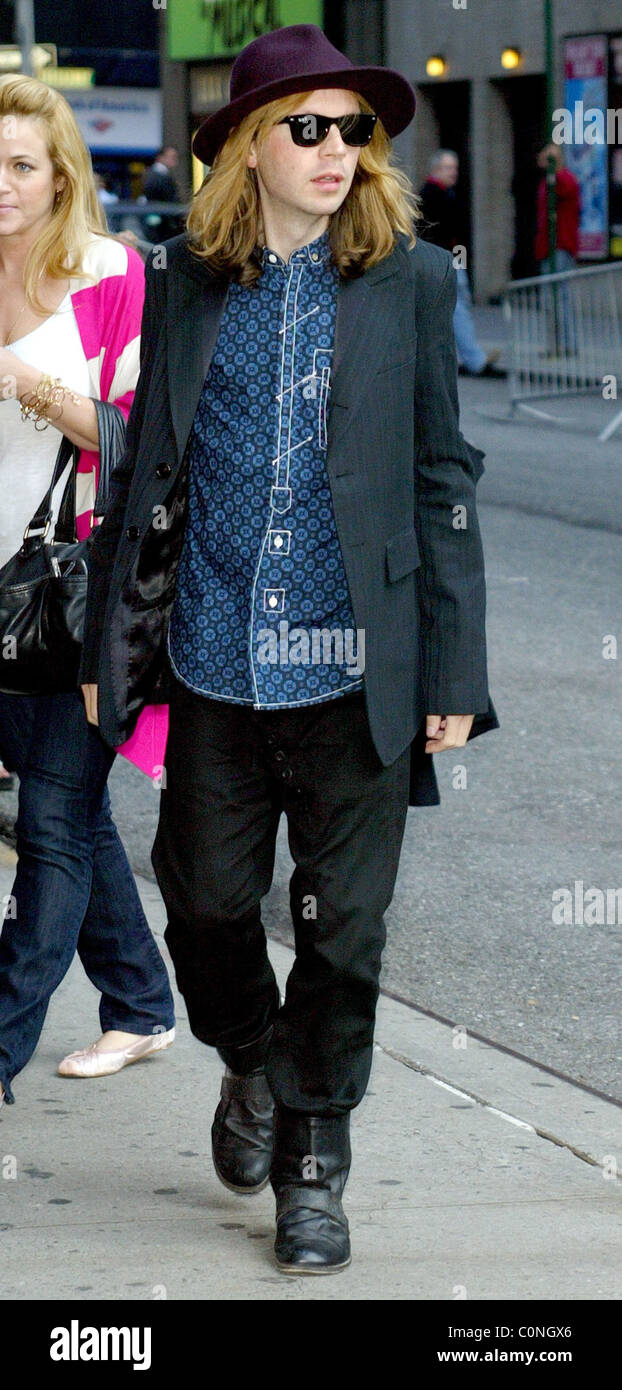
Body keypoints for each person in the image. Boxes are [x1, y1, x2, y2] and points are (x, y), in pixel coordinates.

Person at [80, 24, 499, 1274]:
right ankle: (254, 1060)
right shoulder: (184, 279)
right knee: (207, 904)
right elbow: (141, 471)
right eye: (305, 127)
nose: (333, 149)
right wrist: (109, 644)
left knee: (343, 932)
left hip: (356, 670)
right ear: (247, 149)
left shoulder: (408, 283)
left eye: (351, 129)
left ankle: (313, 1160)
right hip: (213, 659)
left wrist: (454, 670)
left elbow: (442, 479)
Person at [0, 74, 175, 1108]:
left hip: (81, 593)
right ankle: (143, 1003)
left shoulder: (111, 275)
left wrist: (36, 388)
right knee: (71, 812)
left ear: (61, 175)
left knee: (53, 823)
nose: (3, 184)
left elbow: (147, 443)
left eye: (21, 165)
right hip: (0, 605)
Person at [419, 149, 506, 378]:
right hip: (445, 262)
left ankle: (463, 358)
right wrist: (455, 262)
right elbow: (438, 235)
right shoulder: (432, 195)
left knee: (454, 311)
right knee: (458, 310)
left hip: (451, 260)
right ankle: (474, 360)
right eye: (449, 168)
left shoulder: (446, 194)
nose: (454, 172)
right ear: (436, 169)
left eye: (455, 168)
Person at [534, 143, 580, 274]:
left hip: (561, 244)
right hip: (547, 245)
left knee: (557, 282)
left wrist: (554, 163)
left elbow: (564, 188)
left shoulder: (565, 179)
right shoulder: (547, 181)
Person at [140, 146, 182, 241]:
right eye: (172, 157)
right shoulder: (157, 175)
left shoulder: (157, 174)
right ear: (160, 158)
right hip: (161, 220)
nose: (175, 160)